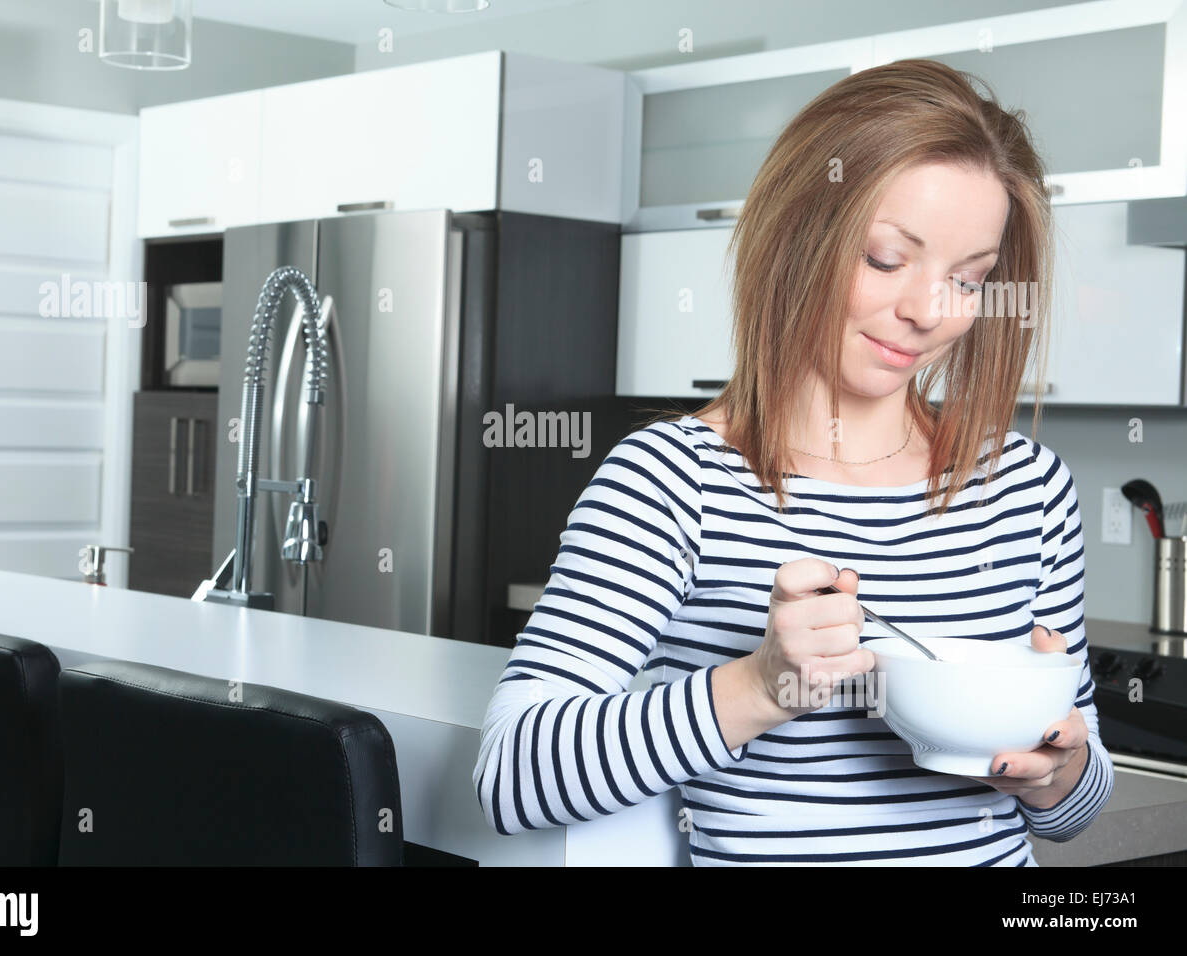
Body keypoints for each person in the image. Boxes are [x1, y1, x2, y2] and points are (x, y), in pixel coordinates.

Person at [472, 58, 1113, 865]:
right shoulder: (674, 480)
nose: (925, 311)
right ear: (799, 231)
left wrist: (1056, 773)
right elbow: (514, 772)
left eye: (968, 279)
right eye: (886, 258)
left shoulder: (1028, 487)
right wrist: (759, 687)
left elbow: (1075, 804)